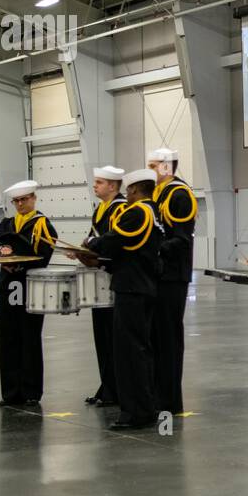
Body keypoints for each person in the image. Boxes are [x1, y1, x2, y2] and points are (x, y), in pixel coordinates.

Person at [85, 169, 163, 430]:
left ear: (132, 190)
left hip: (132, 288)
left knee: (130, 353)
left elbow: (115, 239)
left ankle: (135, 412)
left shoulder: (138, 212)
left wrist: (91, 246)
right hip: (143, 287)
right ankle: (146, 407)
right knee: (141, 350)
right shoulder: (153, 211)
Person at [0, 180, 57, 407]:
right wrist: (0, 251)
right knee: (8, 338)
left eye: (24, 200)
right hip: (8, 286)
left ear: (33, 199)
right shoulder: (8, 223)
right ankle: (11, 392)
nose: (20, 204)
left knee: (30, 337)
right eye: (16, 201)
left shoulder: (41, 224)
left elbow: (45, 253)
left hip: (31, 285)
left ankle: (31, 391)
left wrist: (19, 265)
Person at [147, 147, 197, 415]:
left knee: (167, 339)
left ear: (167, 167)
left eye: (153, 166)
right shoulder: (156, 194)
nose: (150, 170)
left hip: (172, 275)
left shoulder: (179, 194)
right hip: (157, 274)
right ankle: (156, 393)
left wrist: (153, 249)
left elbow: (181, 237)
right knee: (155, 338)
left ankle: (169, 400)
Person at [83, 166, 127, 407]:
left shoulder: (120, 209)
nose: (95, 186)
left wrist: (93, 249)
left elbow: (114, 242)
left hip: (113, 277)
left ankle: (115, 389)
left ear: (112, 186)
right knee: (102, 336)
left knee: (112, 337)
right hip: (99, 279)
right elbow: (94, 237)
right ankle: (106, 385)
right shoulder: (100, 208)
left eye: (100, 182)